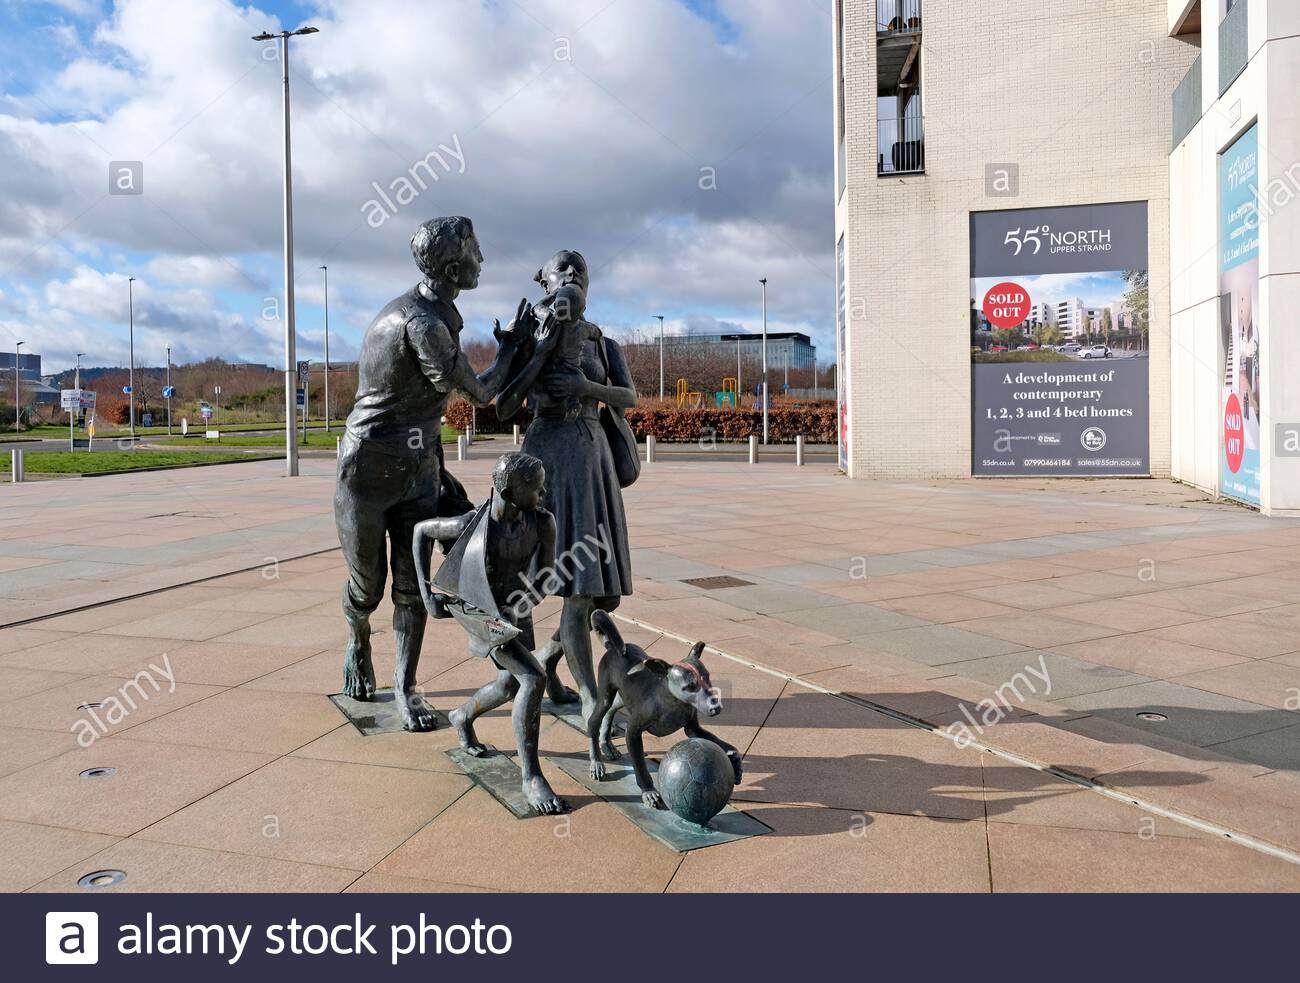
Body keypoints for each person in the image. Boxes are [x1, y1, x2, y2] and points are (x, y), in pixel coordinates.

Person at [333, 216, 528, 732]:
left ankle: (405, 687)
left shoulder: (439, 314)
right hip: (368, 472)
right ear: (450, 265)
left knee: (409, 588)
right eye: (476, 251)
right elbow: (482, 394)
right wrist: (514, 350)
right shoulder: (422, 325)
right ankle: (357, 638)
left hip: (418, 465)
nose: (482, 259)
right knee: (366, 587)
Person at [496, 250, 636, 728]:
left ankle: (552, 666)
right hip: (545, 457)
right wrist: (535, 351)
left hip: (592, 456)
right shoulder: (533, 334)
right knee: (562, 584)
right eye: (563, 269)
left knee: (597, 593)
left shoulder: (603, 342)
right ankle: (588, 698)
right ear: (546, 283)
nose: (573, 273)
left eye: (581, 269)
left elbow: (629, 396)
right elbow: (504, 403)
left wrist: (587, 388)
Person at [412, 452, 567, 815]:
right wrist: (426, 593)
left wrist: (523, 602)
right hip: (479, 607)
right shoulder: (471, 524)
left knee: (510, 684)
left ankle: (462, 716)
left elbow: (547, 575)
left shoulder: (542, 522)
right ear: (510, 490)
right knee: (532, 678)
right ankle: (531, 778)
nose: (543, 494)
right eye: (536, 488)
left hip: (514, 608)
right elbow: (421, 531)